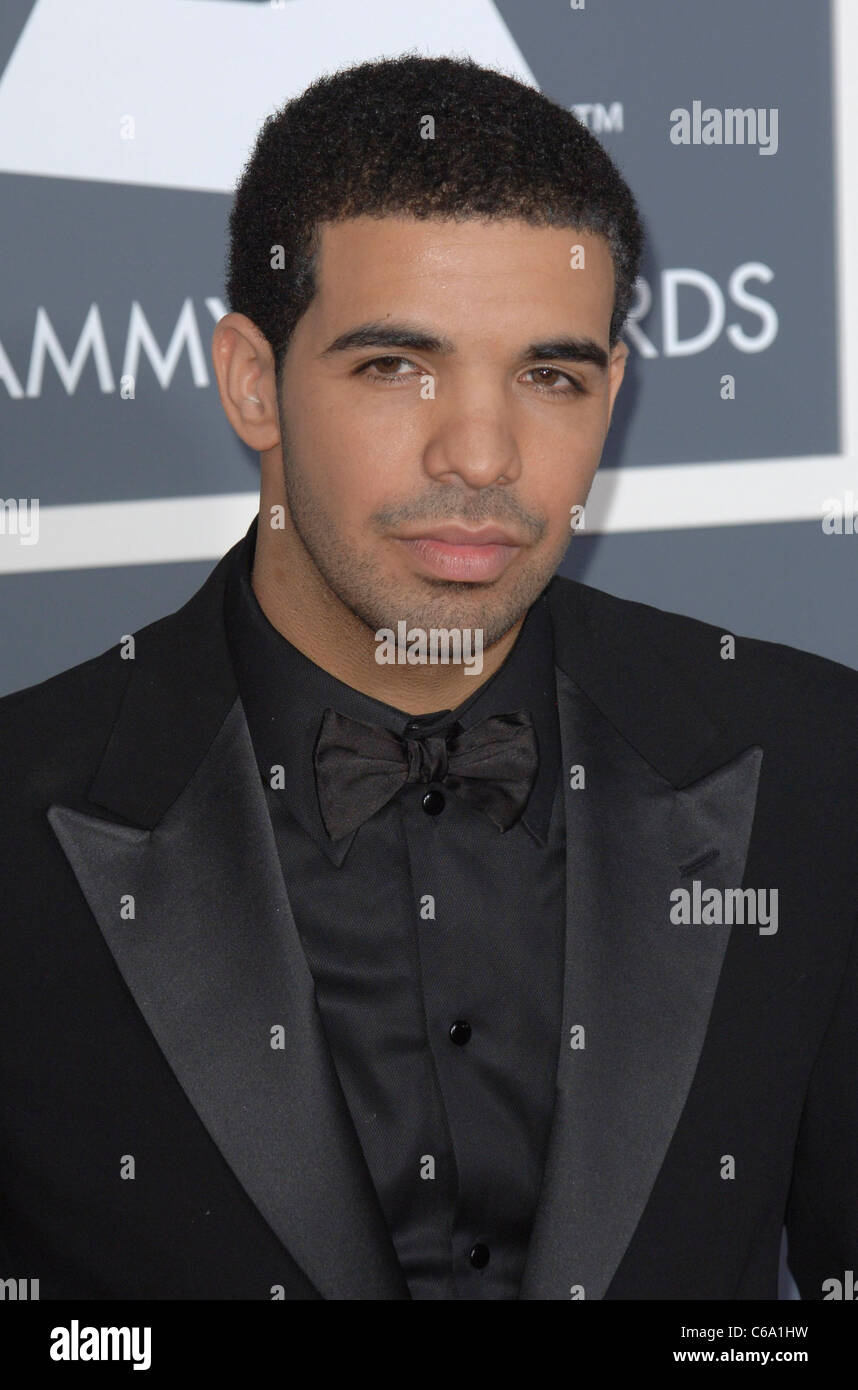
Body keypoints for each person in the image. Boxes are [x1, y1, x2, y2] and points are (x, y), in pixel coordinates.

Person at [1, 54, 856, 1301]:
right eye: (396, 365)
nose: (482, 451)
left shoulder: (815, 765)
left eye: (549, 374)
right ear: (254, 381)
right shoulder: (22, 824)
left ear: (614, 393)